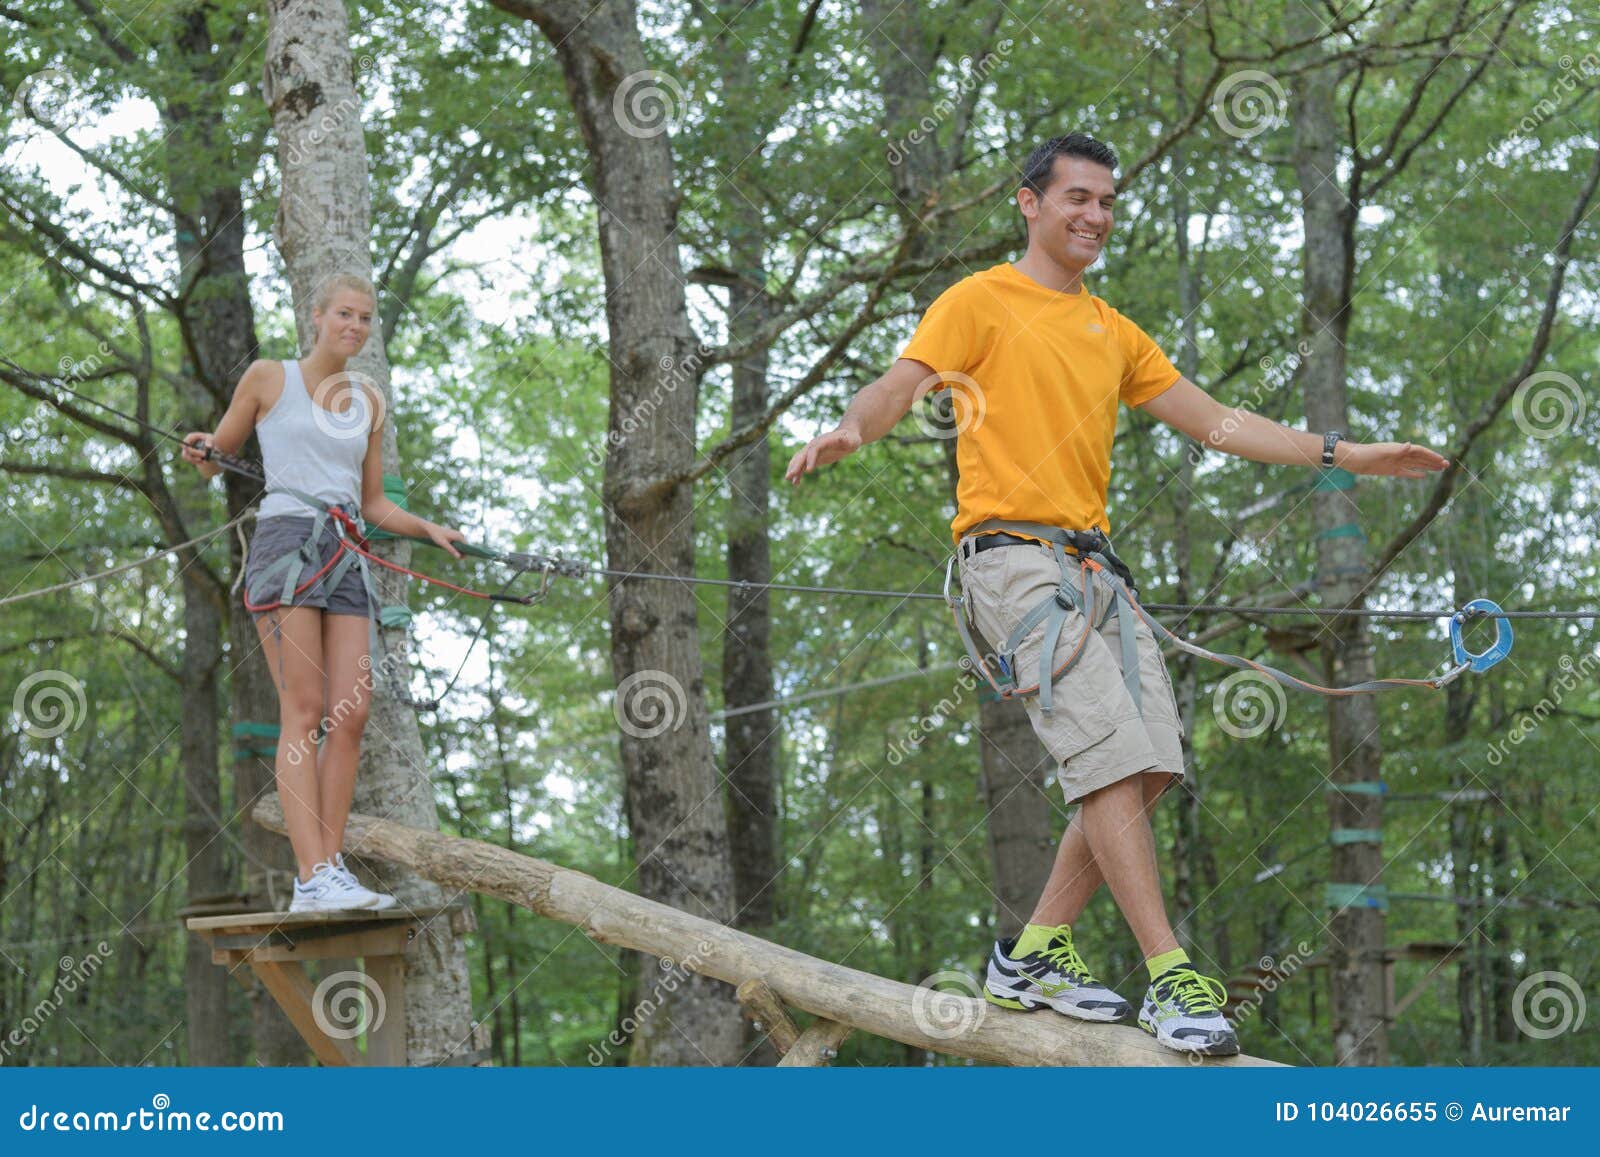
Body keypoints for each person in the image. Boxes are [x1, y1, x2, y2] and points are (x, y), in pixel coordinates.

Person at [785, 133, 1448, 1055]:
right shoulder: (981, 301)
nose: (1094, 214)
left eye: (1106, 200)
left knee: (1146, 765)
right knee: (1105, 755)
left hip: (1095, 570)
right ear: (1030, 203)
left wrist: (1351, 455)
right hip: (1011, 563)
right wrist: (849, 432)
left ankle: (1032, 954)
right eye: (1077, 198)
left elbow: (1218, 421)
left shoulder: (1114, 332)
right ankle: (1172, 973)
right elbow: (900, 386)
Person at [182, 273, 466, 914]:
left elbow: (371, 504)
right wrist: (198, 450)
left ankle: (328, 871)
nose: (355, 327)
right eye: (345, 314)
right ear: (316, 316)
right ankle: (310, 875)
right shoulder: (267, 377)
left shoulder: (368, 399)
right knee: (304, 712)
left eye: (365, 319)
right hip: (286, 544)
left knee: (351, 714)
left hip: (345, 551)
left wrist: (426, 528)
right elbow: (212, 458)